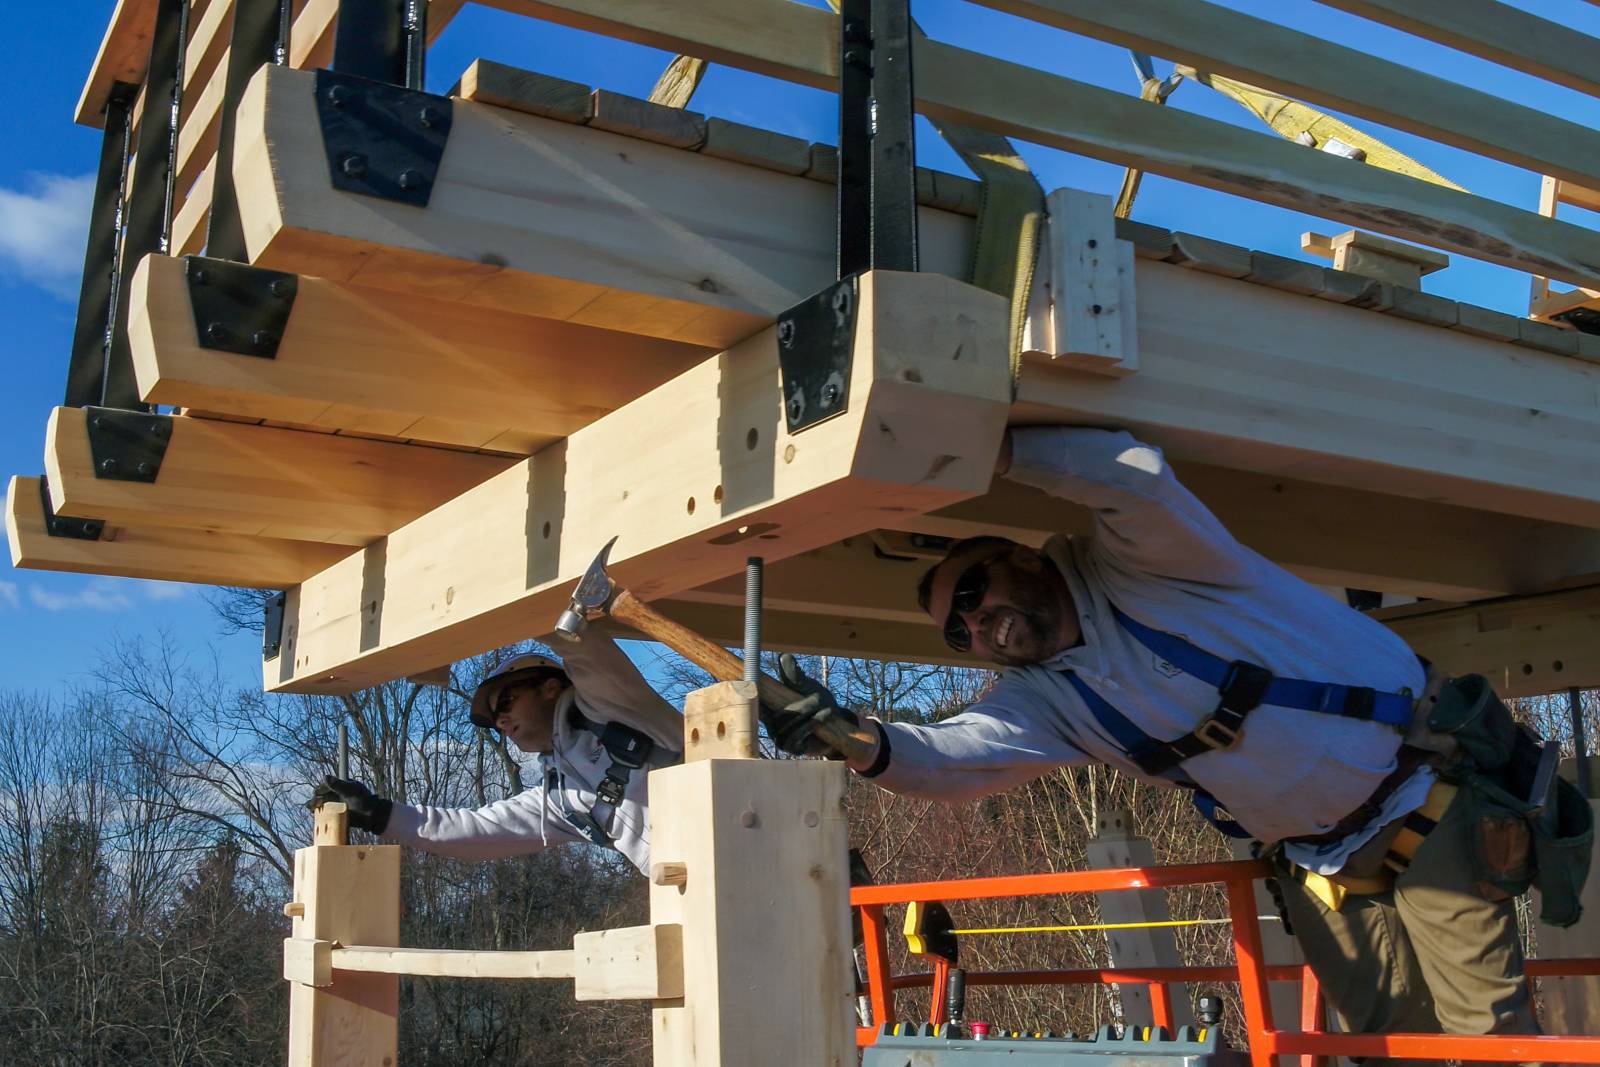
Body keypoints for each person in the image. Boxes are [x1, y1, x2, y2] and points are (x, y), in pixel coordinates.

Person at [765, 425, 1585, 1057]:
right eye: (959, 630)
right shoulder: (1045, 699)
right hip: (1321, 861)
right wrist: (856, 737)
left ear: (1021, 556)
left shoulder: (1148, 568)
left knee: (1491, 1035)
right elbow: (955, 757)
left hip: (1421, 796)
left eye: (974, 590)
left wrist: (979, 440)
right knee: (1371, 1044)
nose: (977, 622)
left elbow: (1136, 479)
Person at [312, 627, 681, 876]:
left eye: (506, 701)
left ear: (550, 688)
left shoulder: (611, 705)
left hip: (735, 839)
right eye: (494, 720)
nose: (501, 720)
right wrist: (379, 814)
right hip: (691, 889)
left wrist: (522, 588)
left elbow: (578, 642)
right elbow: (476, 831)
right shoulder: (560, 801)